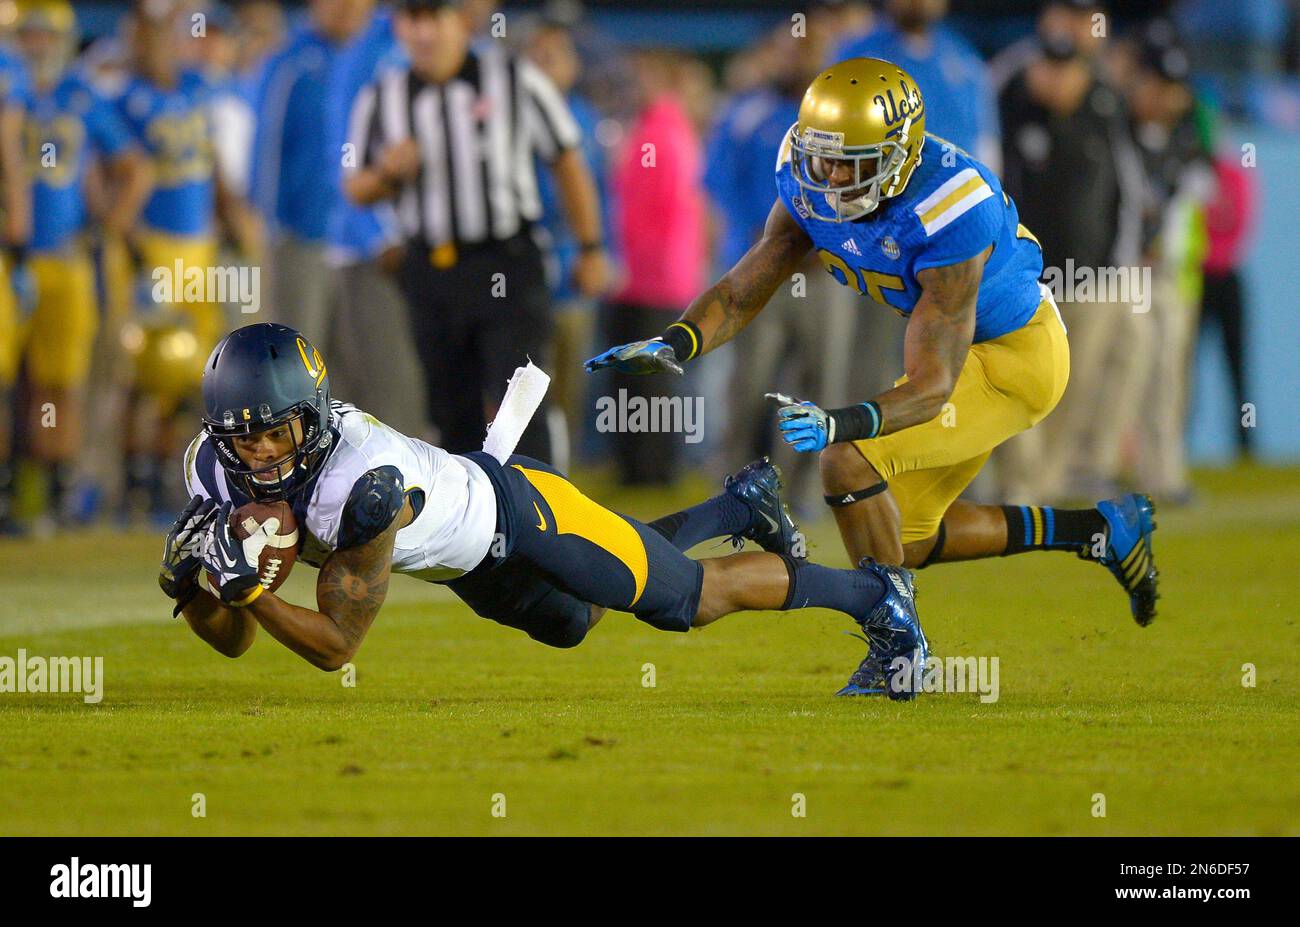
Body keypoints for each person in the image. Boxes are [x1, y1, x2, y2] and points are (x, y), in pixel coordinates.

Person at [587, 58, 1161, 630]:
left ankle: (894, 641)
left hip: (1016, 357)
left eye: (850, 164)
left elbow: (933, 387)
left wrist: (840, 423)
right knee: (906, 538)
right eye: (823, 158)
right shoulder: (805, 173)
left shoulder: (950, 208)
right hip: (962, 361)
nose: (830, 178)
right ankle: (1100, 531)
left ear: (899, 158)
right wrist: (678, 341)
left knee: (848, 459)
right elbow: (747, 285)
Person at [160, 323, 929, 699]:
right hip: (469, 559)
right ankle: (739, 502)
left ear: (315, 415)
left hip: (522, 513)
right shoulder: (211, 468)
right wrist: (199, 589)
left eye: (276, 431)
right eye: (243, 437)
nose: (259, 453)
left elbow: (335, 648)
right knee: (578, 620)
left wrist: (253, 589)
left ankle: (879, 600)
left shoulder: (363, 482)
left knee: (689, 602)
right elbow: (231, 641)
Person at [344, 0, 609, 463]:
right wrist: (388, 173)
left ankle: (541, 517)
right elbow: (355, 185)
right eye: (413, 19)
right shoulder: (382, 96)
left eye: (434, 17)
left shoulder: (514, 78)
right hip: (429, 267)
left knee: (518, 400)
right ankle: (470, 526)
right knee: (449, 408)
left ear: (461, 20)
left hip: (506, 260)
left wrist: (590, 247)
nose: (424, 33)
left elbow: (567, 158)